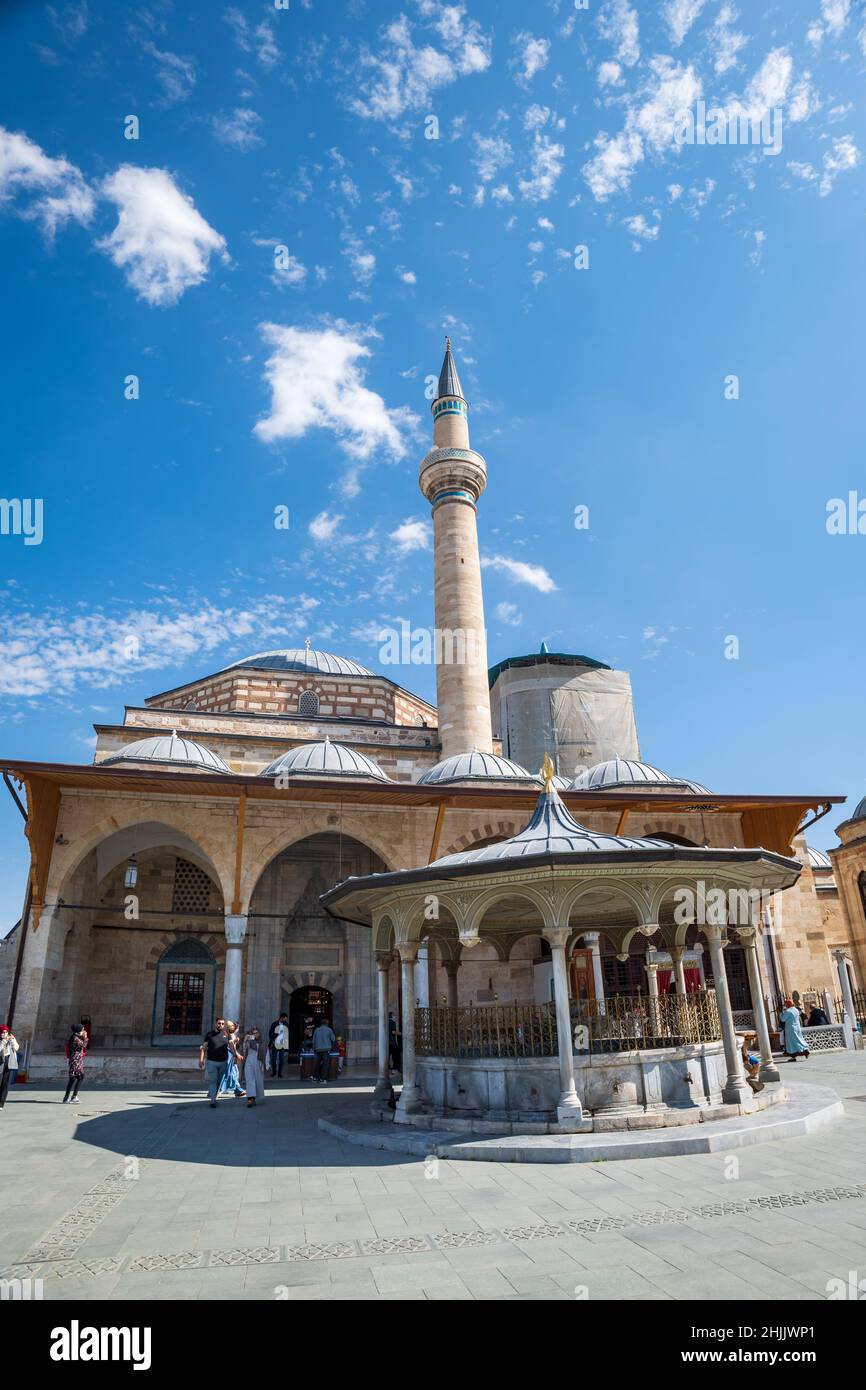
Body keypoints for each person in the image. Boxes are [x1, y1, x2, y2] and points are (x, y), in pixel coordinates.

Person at [199, 1017, 229, 1107]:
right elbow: (204, 1047)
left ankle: (214, 1097)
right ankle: (213, 1100)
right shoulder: (209, 1034)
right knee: (213, 1080)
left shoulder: (226, 1034)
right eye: (219, 1023)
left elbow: (231, 1045)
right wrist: (201, 1060)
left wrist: (236, 1055)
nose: (221, 1025)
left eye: (223, 1024)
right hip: (212, 1062)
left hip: (223, 1062)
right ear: (216, 1024)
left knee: (219, 1082)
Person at [219, 1021, 246, 1098]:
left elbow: (234, 1047)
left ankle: (222, 1089)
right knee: (231, 1073)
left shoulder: (233, 1035)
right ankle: (237, 1090)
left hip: (232, 1057)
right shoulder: (228, 1035)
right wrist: (238, 1055)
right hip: (229, 1056)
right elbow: (231, 1048)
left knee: (233, 1073)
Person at [779, 997, 810, 1061]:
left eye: (785, 1004)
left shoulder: (788, 1011)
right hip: (797, 1027)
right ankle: (795, 1055)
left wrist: (781, 1014)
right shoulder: (796, 1010)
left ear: (787, 1005)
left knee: (792, 1042)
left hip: (790, 1029)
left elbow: (783, 1019)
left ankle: (804, 1050)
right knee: (798, 1039)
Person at [63, 1024, 87, 1104]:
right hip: (75, 1060)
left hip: (77, 1060)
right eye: (83, 1029)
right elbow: (84, 1045)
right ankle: (70, 1097)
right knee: (75, 1078)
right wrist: (86, 1037)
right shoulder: (75, 1037)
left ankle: (70, 1097)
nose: (84, 1030)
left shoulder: (75, 1037)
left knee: (76, 1078)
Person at [242, 1027, 265, 1107]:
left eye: (256, 1033)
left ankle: (254, 1098)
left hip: (258, 1062)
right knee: (249, 1079)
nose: (255, 1034)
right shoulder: (249, 1042)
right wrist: (246, 1039)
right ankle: (250, 1099)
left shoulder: (262, 1042)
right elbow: (245, 1048)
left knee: (257, 1080)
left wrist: (265, 1064)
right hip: (249, 1060)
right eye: (253, 1033)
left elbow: (265, 1054)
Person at [311, 1017, 336, 1085]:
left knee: (317, 1064)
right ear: (327, 1023)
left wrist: (314, 1049)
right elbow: (333, 1039)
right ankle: (323, 1079)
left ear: (321, 1023)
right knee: (325, 1064)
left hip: (317, 1049)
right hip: (326, 1049)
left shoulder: (317, 1030)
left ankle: (316, 1078)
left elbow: (313, 1041)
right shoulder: (329, 1030)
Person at [0, 1025, 19, 1108]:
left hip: (9, 1061)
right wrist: (3, 1042)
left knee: (5, 1083)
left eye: (6, 1032)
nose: (4, 1034)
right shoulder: (1, 1041)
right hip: (0, 1061)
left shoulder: (11, 1038)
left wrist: (13, 1041)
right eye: (3, 1032)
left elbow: (17, 1048)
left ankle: (1, 1103)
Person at [269, 1013, 290, 1078]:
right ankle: (274, 1072)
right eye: (285, 1019)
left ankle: (280, 1073)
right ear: (281, 1018)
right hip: (275, 1043)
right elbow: (270, 1033)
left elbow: (288, 1033)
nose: (285, 1020)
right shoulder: (274, 1024)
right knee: (274, 1059)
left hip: (283, 1044)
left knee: (281, 1059)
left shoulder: (286, 1024)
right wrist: (276, 1034)